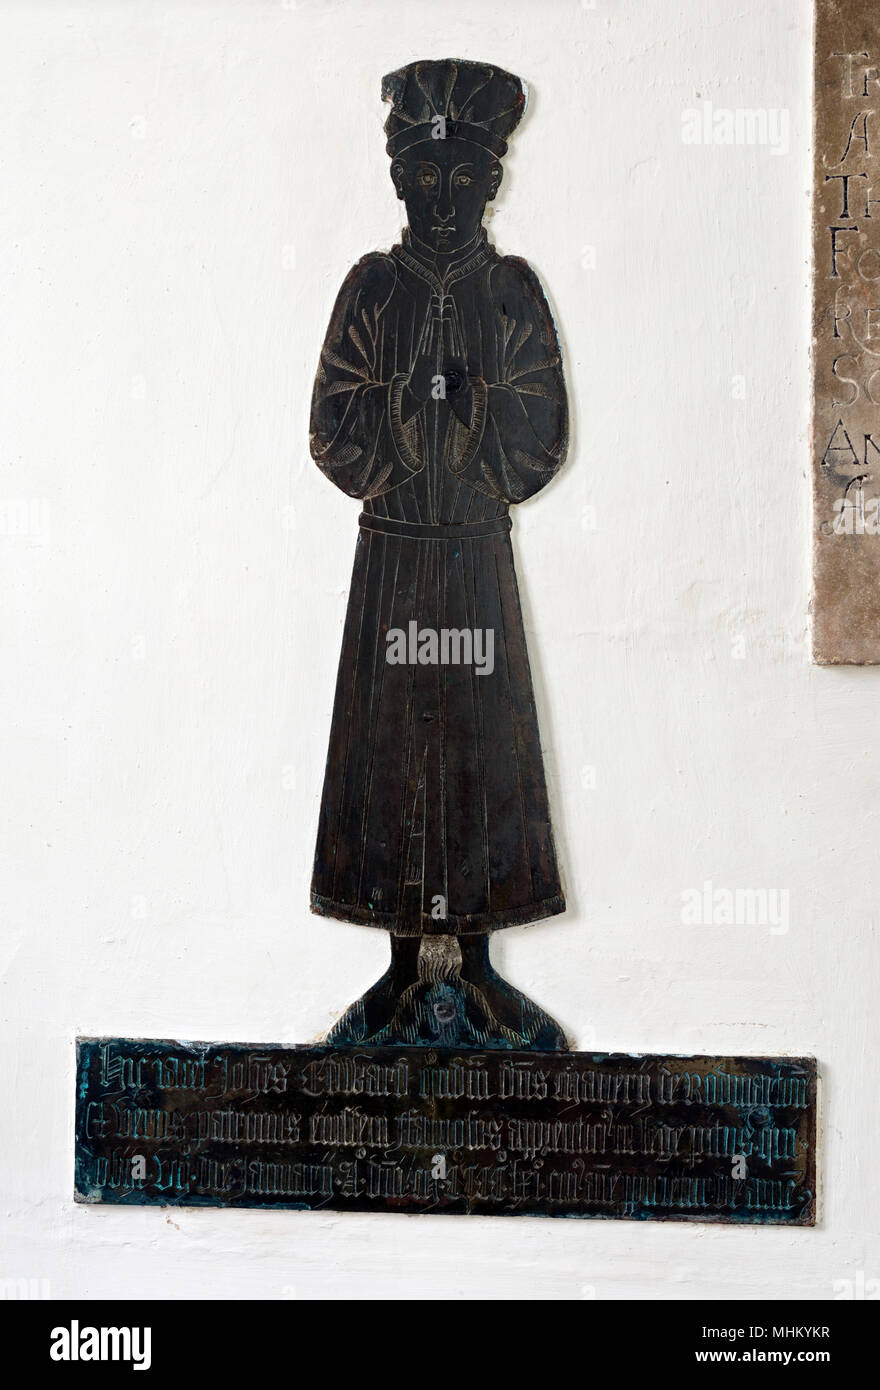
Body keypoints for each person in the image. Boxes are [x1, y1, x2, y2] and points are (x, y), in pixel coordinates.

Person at [310, 59, 569, 1048]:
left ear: (491, 183)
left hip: (470, 559)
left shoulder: (510, 290)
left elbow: (539, 430)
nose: (446, 196)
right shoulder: (372, 287)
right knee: (388, 758)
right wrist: (407, 413)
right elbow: (331, 427)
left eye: (466, 178)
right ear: (400, 179)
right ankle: (397, 971)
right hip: (393, 558)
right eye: (427, 176)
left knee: (478, 748)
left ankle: (478, 967)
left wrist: (470, 414)